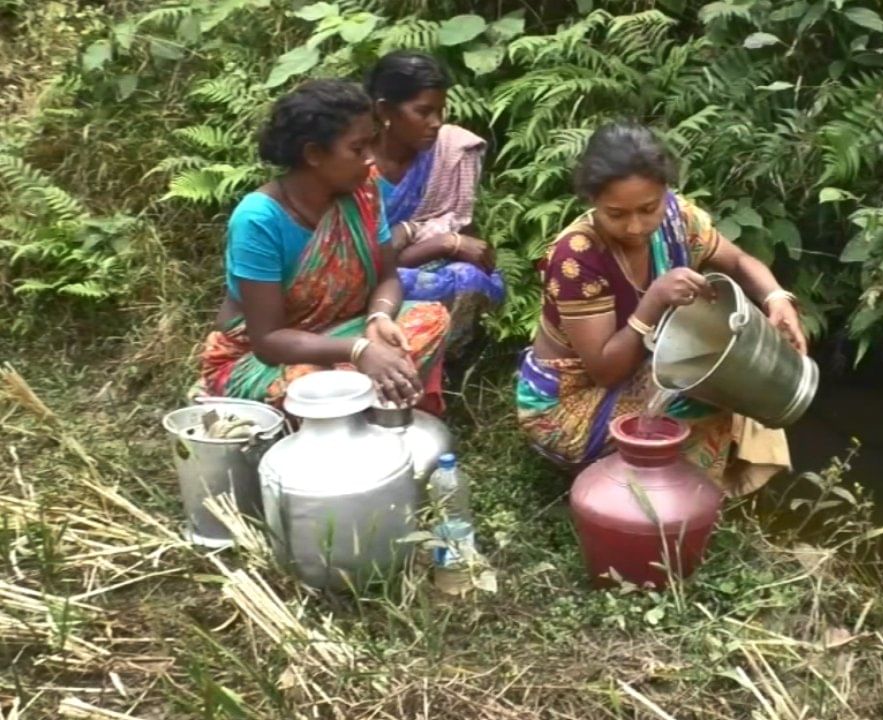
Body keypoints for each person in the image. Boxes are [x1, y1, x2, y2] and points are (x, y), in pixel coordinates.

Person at [515, 121, 806, 494]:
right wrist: (653, 300)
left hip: (640, 366)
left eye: (648, 208)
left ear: (664, 192)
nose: (636, 227)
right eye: (616, 214)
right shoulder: (579, 257)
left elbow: (737, 262)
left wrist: (776, 298)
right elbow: (605, 371)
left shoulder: (675, 217)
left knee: (745, 368)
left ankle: (696, 491)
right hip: (569, 403)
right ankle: (675, 504)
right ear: (592, 201)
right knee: (707, 396)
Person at [198, 79, 450, 413]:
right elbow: (268, 342)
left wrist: (378, 318)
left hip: (345, 333)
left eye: (372, 144)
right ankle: (359, 407)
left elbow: (388, 275)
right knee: (310, 383)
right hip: (267, 357)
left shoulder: (363, 192)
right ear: (314, 154)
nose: (371, 159)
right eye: (358, 149)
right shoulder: (258, 219)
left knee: (429, 319)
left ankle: (371, 405)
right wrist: (358, 351)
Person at [365, 51, 503, 354]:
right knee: (397, 281)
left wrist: (447, 242)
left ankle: (446, 359)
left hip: (427, 268)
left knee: (471, 276)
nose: (436, 123)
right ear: (385, 110)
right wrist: (441, 243)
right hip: (373, 280)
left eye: (441, 111)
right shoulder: (354, 166)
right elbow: (362, 263)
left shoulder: (450, 151)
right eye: (423, 112)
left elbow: (468, 236)